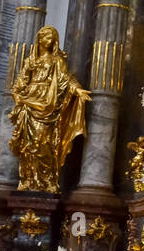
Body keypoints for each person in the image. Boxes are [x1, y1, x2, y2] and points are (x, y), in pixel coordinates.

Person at [7, 26, 90, 193]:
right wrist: (18, 96)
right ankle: (27, 179)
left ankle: (47, 181)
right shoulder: (31, 61)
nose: (49, 40)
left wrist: (77, 90)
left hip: (47, 105)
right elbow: (19, 83)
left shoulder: (56, 61)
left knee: (43, 142)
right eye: (46, 37)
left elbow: (65, 80)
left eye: (52, 37)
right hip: (30, 104)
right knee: (27, 145)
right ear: (39, 39)